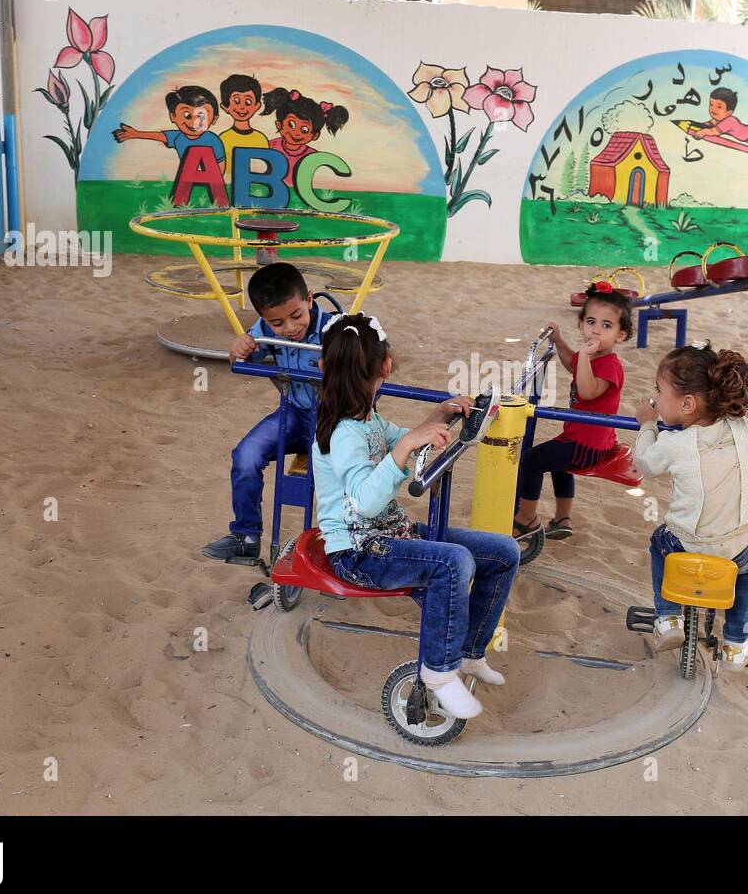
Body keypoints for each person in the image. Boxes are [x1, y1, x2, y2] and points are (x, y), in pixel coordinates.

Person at [311, 312, 519, 720]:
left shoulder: (365, 417)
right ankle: (438, 672)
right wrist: (406, 445)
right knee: (453, 562)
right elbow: (366, 500)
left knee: (503, 551)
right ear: (385, 366)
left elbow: (403, 437)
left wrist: (442, 414)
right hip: (357, 551)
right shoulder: (343, 432)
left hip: (391, 533)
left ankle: (469, 652)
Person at [633, 342, 748, 669]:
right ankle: (736, 643)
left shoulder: (674, 443)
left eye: (659, 391)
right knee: (745, 574)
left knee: (659, 541)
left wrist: (646, 424)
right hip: (735, 545)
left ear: (686, 403)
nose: (655, 398)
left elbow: (645, 462)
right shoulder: (744, 429)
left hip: (687, 544)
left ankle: (668, 618)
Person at [203, 263, 332, 562]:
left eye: (297, 315)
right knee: (245, 456)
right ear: (264, 319)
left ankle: (337, 549)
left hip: (334, 421)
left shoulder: (335, 329)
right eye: (276, 323)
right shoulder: (263, 330)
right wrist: (239, 347)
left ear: (310, 299)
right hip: (295, 413)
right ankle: (246, 536)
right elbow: (238, 358)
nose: (289, 328)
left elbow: (374, 360)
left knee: (338, 476)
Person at [513, 280, 631, 542]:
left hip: (588, 445)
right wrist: (559, 341)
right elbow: (572, 364)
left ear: (620, 336)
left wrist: (586, 357)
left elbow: (588, 391)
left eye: (607, 326)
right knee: (559, 464)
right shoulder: (590, 356)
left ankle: (526, 519)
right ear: (581, 324)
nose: (596, 331)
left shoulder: (609, 365)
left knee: (532, 459)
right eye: (591, 322)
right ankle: (563, 518)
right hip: (582, 439)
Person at [260, 87, 349, 187]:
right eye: (291, 124)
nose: (296, 133)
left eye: (304, 129)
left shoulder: (312, 156)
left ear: (315, 135)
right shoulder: (270, 146)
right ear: (279, 125)